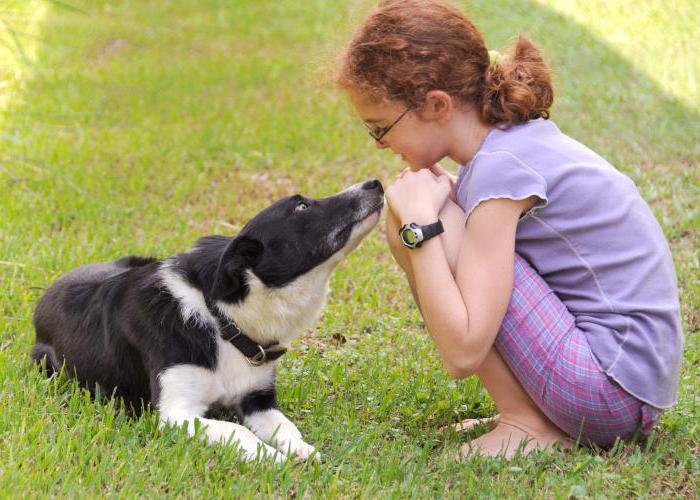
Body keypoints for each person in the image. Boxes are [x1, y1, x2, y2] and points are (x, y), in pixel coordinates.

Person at [336, 0, 683, 458]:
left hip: (608, 390)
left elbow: (462, 354)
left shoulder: (500, 171)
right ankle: (526, 415)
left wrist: (420, 228)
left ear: (437, 104)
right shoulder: (507, 151)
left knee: (428, 216)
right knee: (430, 209)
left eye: (381, 127)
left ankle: (526, 424)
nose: (380, 143)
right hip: (623, 386)